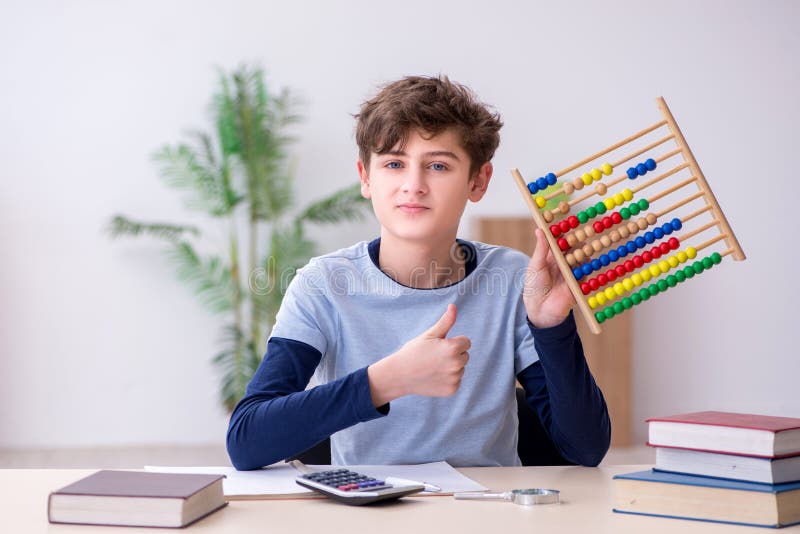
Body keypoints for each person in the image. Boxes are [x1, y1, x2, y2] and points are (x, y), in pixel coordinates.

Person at [226, 75, 610, 470]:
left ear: (477, 181)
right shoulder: (322, 285)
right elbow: (246, 441)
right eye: (394, 163)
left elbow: (585, 449)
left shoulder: (515, 279)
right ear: (366, 177)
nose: (414, 185)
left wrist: (550, 327)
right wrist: (390, 379)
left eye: (438, 165)